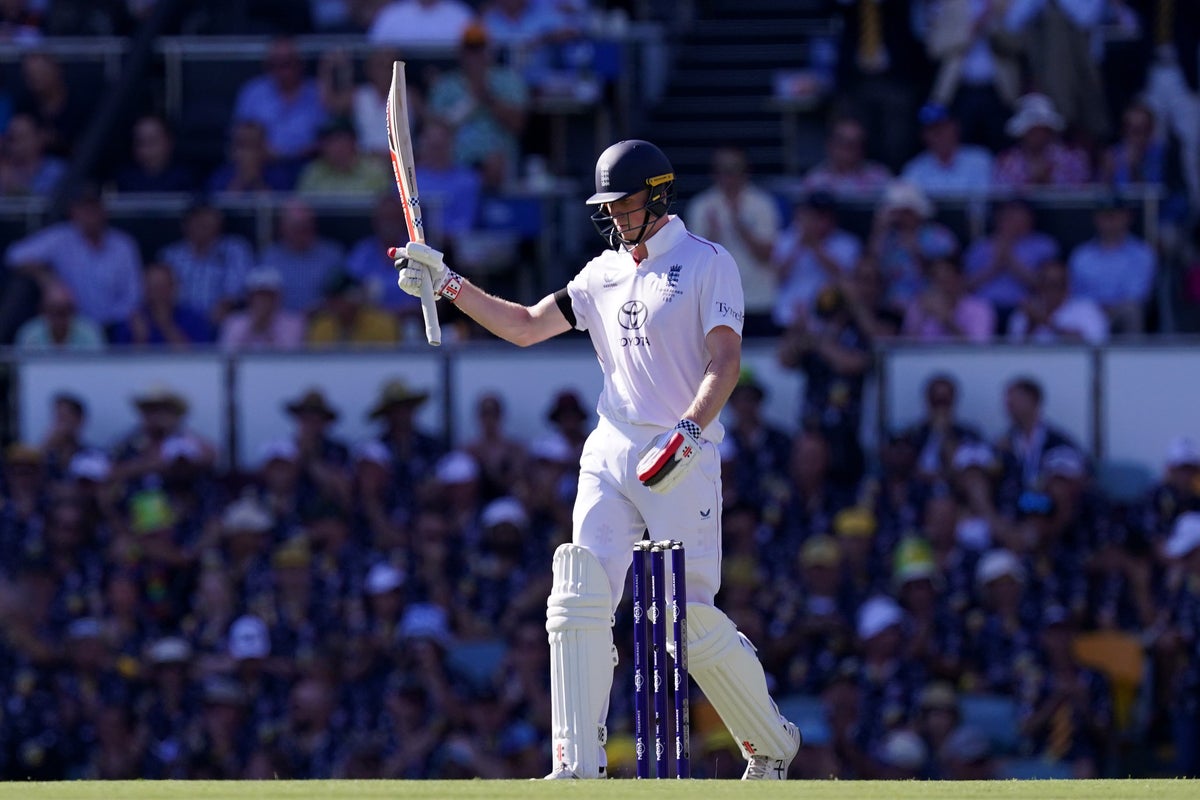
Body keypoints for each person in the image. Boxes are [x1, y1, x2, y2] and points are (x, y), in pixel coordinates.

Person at [391, 139, 802, 780]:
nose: (614, 216)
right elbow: (526, 325)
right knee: (579, 593)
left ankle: (771, 743)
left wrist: (691, 432)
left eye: (625, 202)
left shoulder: (707, 263)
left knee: (684, 620)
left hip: (681, 452)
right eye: (606, 205)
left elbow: (726, 362)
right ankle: (576, 766)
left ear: (658, 195)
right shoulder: (601, 271)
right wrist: (447, 284)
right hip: (610, 446)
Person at [685, 145, 783, 336]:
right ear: (714, 172)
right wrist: (712, 236)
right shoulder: (700, 206)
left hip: (758, 301)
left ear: (746, 171)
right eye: (722, 169)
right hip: (716, 306)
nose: (728, 175)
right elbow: (694, 264)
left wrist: (740, 225)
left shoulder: (763, 204)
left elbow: (767, 254)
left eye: (734, 169)